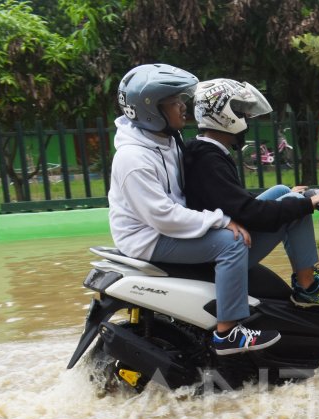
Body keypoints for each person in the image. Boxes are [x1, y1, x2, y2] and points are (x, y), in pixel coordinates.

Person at [107, 63, 279, 356]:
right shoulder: (133, 159)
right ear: (151, 111)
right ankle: (228, 332)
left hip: (165, 227)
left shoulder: (165, 139)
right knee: (232, 244)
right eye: (174, 103)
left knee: (272, 201)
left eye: (181, 100)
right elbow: (163, 217)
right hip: (148, 239)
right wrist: (220, 221)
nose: (183, 108)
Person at [182, 78, 319, 309]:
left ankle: (306, 278)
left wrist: (292, 198)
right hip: (218, 252)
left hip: (215, 232)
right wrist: (307, 204)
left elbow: (229, 202)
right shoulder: (208, 160)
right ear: (224, 114)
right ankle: (308, 288)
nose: (246, 119)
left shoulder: (204, 149)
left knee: (282, 192)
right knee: (295, 205)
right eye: (240, 112)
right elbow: (250, 214)